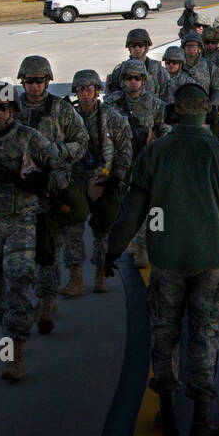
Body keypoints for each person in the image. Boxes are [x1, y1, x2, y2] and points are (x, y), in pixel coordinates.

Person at [104, 84, 219, 436]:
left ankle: (167, 411)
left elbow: (131, 211)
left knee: (164, 334)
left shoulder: (154, 154)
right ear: (206, 113)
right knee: (205, 338)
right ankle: (201, 421)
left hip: (166, 261)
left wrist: (111, 252)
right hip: (210, 262)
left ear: (173, 113)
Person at [0, 82, 70, 381]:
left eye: (3, 108)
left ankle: (14, 352)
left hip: (23, 220)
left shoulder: (30, 139)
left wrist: (41, 182)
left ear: (14, 110)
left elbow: (61, 172)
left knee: (18, 279)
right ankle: (12, 328)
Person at [15, 55, 89, 334]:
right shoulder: (13, 109)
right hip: (22, 190)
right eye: (29, 81)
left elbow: (80, 142)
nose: (34, 86)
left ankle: (46, 299)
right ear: (22, 81)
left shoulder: (61, 109)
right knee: (25, 252)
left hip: (53, 188)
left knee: (49, 245)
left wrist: (55, 154)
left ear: (47, 81)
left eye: (40, 81)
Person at [62, 70, 133, 295]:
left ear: (97, 91)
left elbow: (124, 150)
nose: (84, 93)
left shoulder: (112, 118)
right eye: (81, 89)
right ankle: (76, 278)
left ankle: (100, 273)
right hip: (75, 181)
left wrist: (117, 177)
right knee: (73, 228)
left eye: (89, 88)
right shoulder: (67, 117)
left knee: (103, 231)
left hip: (104, 179)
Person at [105, 58, 168, 267]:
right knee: (124, 207)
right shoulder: (111, 103)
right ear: (123, 80)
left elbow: (167, 130)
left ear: (144, 80)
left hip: (145, 163)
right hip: (121, 163)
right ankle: (131, 241)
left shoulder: (155, 104)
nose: (133, 82)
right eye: (129, 78)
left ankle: (143, 248)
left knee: (148, 207)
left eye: (137, 78)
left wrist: (156, 145)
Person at [107, 28, 168, 98]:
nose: (137, 48)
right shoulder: (120, 71)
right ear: (129, 48)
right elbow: (111, 98)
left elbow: (168, 97)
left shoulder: (158, 69)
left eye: (140, 44)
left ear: (147, 47)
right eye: (133, 45)